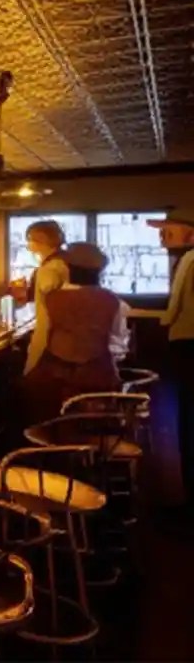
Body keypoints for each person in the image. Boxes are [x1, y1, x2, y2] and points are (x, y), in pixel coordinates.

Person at [23, 243, 129, 423]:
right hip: (98, 379)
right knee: (95, 426)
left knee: (41, 414)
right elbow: (118, 345)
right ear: (99, 271)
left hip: (53, 381)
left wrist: (29, 369)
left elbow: (41, 339)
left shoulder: (51, 299)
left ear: (67, 268)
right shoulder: (113, 301)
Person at [149, 209, 194, 508]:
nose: (162, 234)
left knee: (189, 420)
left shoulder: (190, 259)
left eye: (169, 229)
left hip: (189, 345)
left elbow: (173, 312)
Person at [22, 219, 70, 375]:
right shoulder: (64, 262)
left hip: (48, 331)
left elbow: (49, 294)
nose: (28, 243)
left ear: (41, 240)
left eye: (30, 238)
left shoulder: (49, 269)